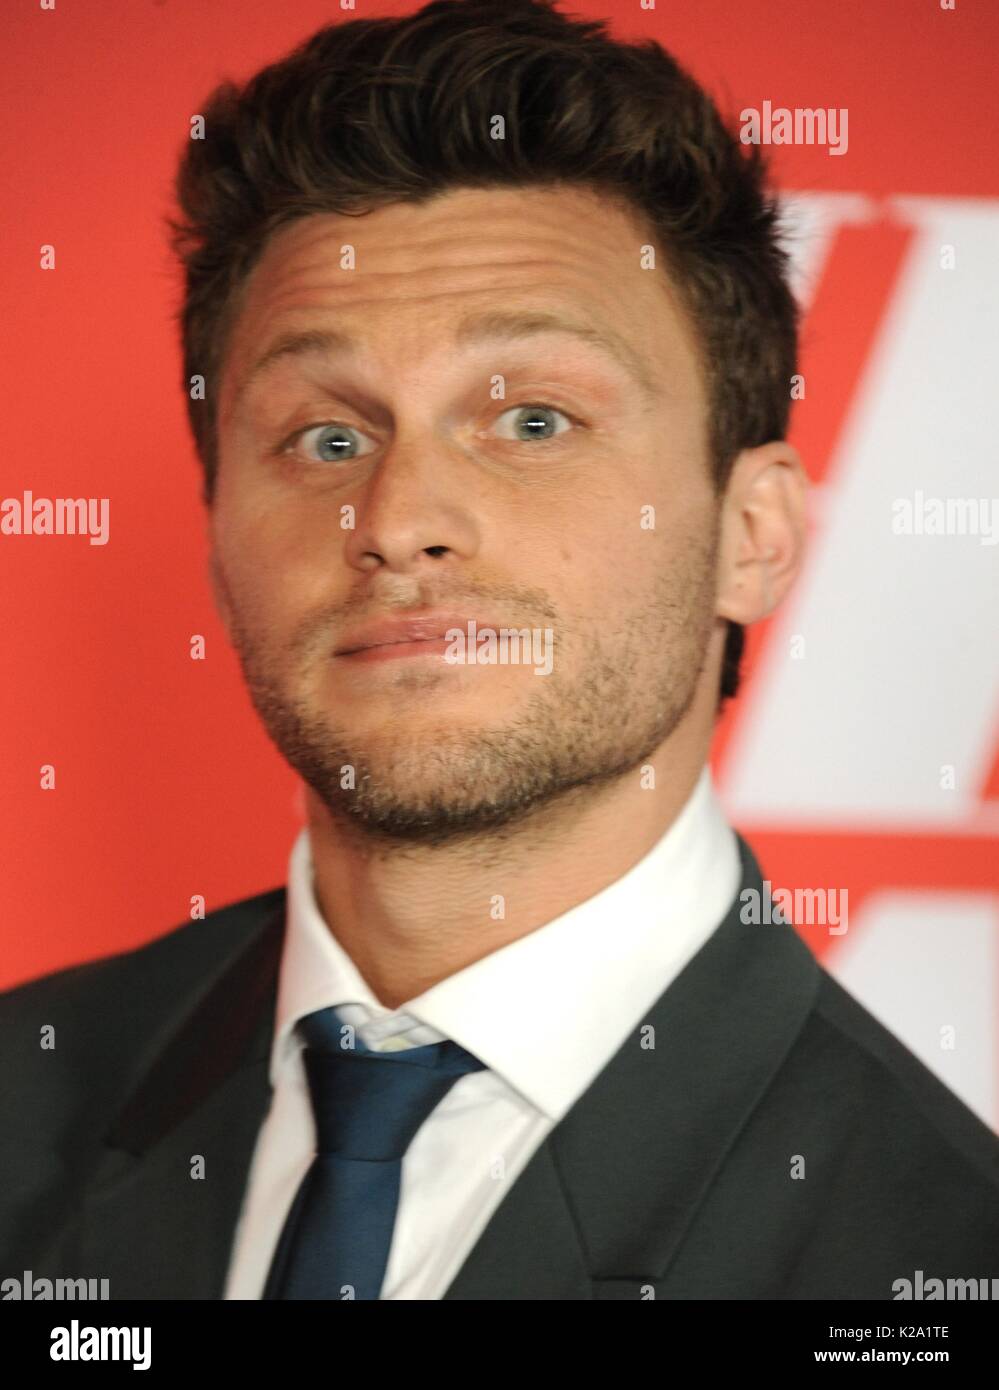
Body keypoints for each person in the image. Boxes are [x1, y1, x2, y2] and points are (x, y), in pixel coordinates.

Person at [2, 0, 997, 1301]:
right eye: (326, 437)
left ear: (752, 535)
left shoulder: (934, 1259)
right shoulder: (25, 1092)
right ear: (217, 535)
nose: (401, 519)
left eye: (533, 418)